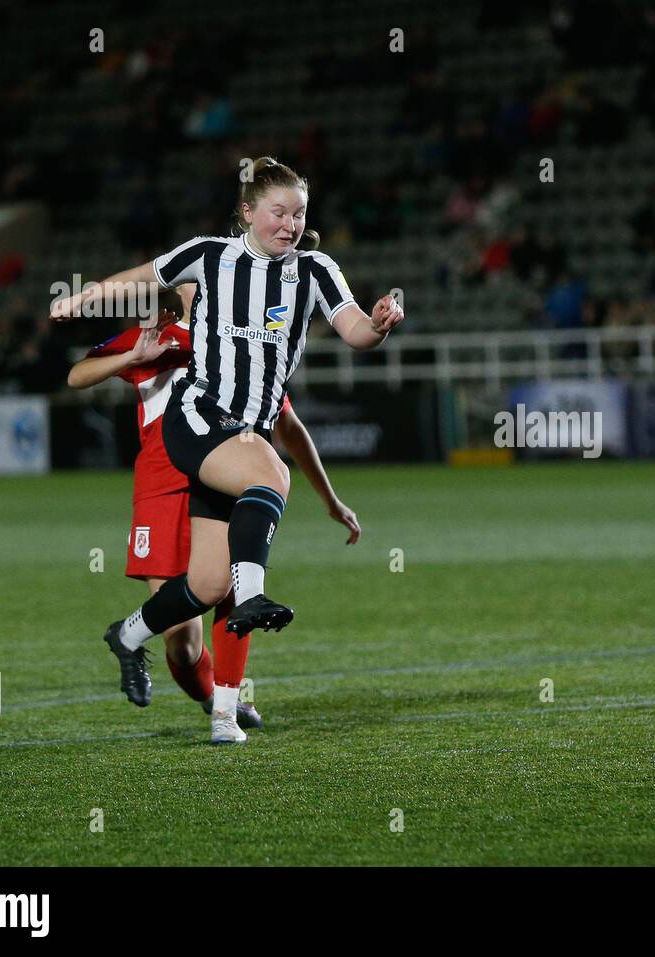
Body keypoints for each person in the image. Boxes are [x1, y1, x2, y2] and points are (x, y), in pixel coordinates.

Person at [52, 157, 402, 736]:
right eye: (278, 212)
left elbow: (356, 331)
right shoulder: (208, 259)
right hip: (197, 420)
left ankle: (132, 636)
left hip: (244, 437)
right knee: (270, 476)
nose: (290, 223)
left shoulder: (314, 271)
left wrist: (382, 323)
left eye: (299, 214)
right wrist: (81, 300)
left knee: (209, 584)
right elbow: (143, 275)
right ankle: (254, 600)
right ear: (247, 213)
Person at [68, 286, 361, 742]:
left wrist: (330, 498)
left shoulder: (241, 347)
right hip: (161, 488)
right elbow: (77, 376)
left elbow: (290, 427)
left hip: (219, 477)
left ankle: (224, 710)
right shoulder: (155, 337)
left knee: (231, 590)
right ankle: (206, 692)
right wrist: (130, 358)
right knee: (182, 645)